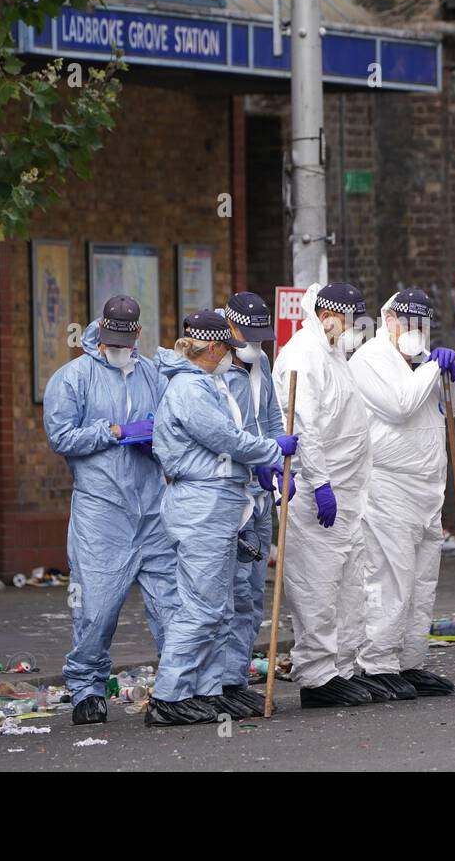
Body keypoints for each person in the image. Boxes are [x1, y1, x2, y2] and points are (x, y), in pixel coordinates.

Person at [145, 310, 297, 726]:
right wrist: (273, 450)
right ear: (212, 348)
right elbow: (224, 438)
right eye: (228, 348)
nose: (232, 355)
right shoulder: (190, 390)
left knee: (218, 606)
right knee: (201, 606)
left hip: (215, 502)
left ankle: (204, 689)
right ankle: (169, 695)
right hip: (202, 504)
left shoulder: (204, 384)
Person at [43, 295, 172, 725]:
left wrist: (155, 438)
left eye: (126, 339)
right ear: (99, 329)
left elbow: (173, 428)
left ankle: (177, 688)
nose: (117, 347)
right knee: (96, 609)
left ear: (138, 334)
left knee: (172, 607)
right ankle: (87, 688)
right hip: (101, 510)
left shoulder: (152, 373)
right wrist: (112, 432)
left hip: (152, 509)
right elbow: (61, 436)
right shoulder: (73, 378)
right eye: (111, 338)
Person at [349, 288, 455, 700]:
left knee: (421, 580)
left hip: (427, 489)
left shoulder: (423, 363)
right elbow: (399, 406)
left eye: (421, 323)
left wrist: (452, 375)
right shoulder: (369, 360)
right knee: (390, 576)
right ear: (388, 319)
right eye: (407, 321)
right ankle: (378, 661)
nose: (414, 330)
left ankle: (410, 660)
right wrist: (432, 370)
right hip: (387, 487)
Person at [271, 282, 376, 708]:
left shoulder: (334, 355)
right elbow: (304, 425)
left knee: (347, 583)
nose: (352, 328)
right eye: (349, 320)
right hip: (319, 494)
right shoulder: (301, 355)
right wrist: (320, 483)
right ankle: (316, 674)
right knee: (316, 583)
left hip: (347, 492)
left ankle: (340, 666)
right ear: (330, 316)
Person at [216, 291, 288, 717]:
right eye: (248, 334)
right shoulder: (215, 374)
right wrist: (260, 455)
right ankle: (220, 680)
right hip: (228, 493)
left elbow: (273, 418)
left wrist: (280, 464)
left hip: (259, 495)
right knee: (229, 591)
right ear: (229, 326)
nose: (254, 343)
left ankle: (237, 676)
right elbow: (224, 434)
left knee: (252, 595)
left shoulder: (260, 363)